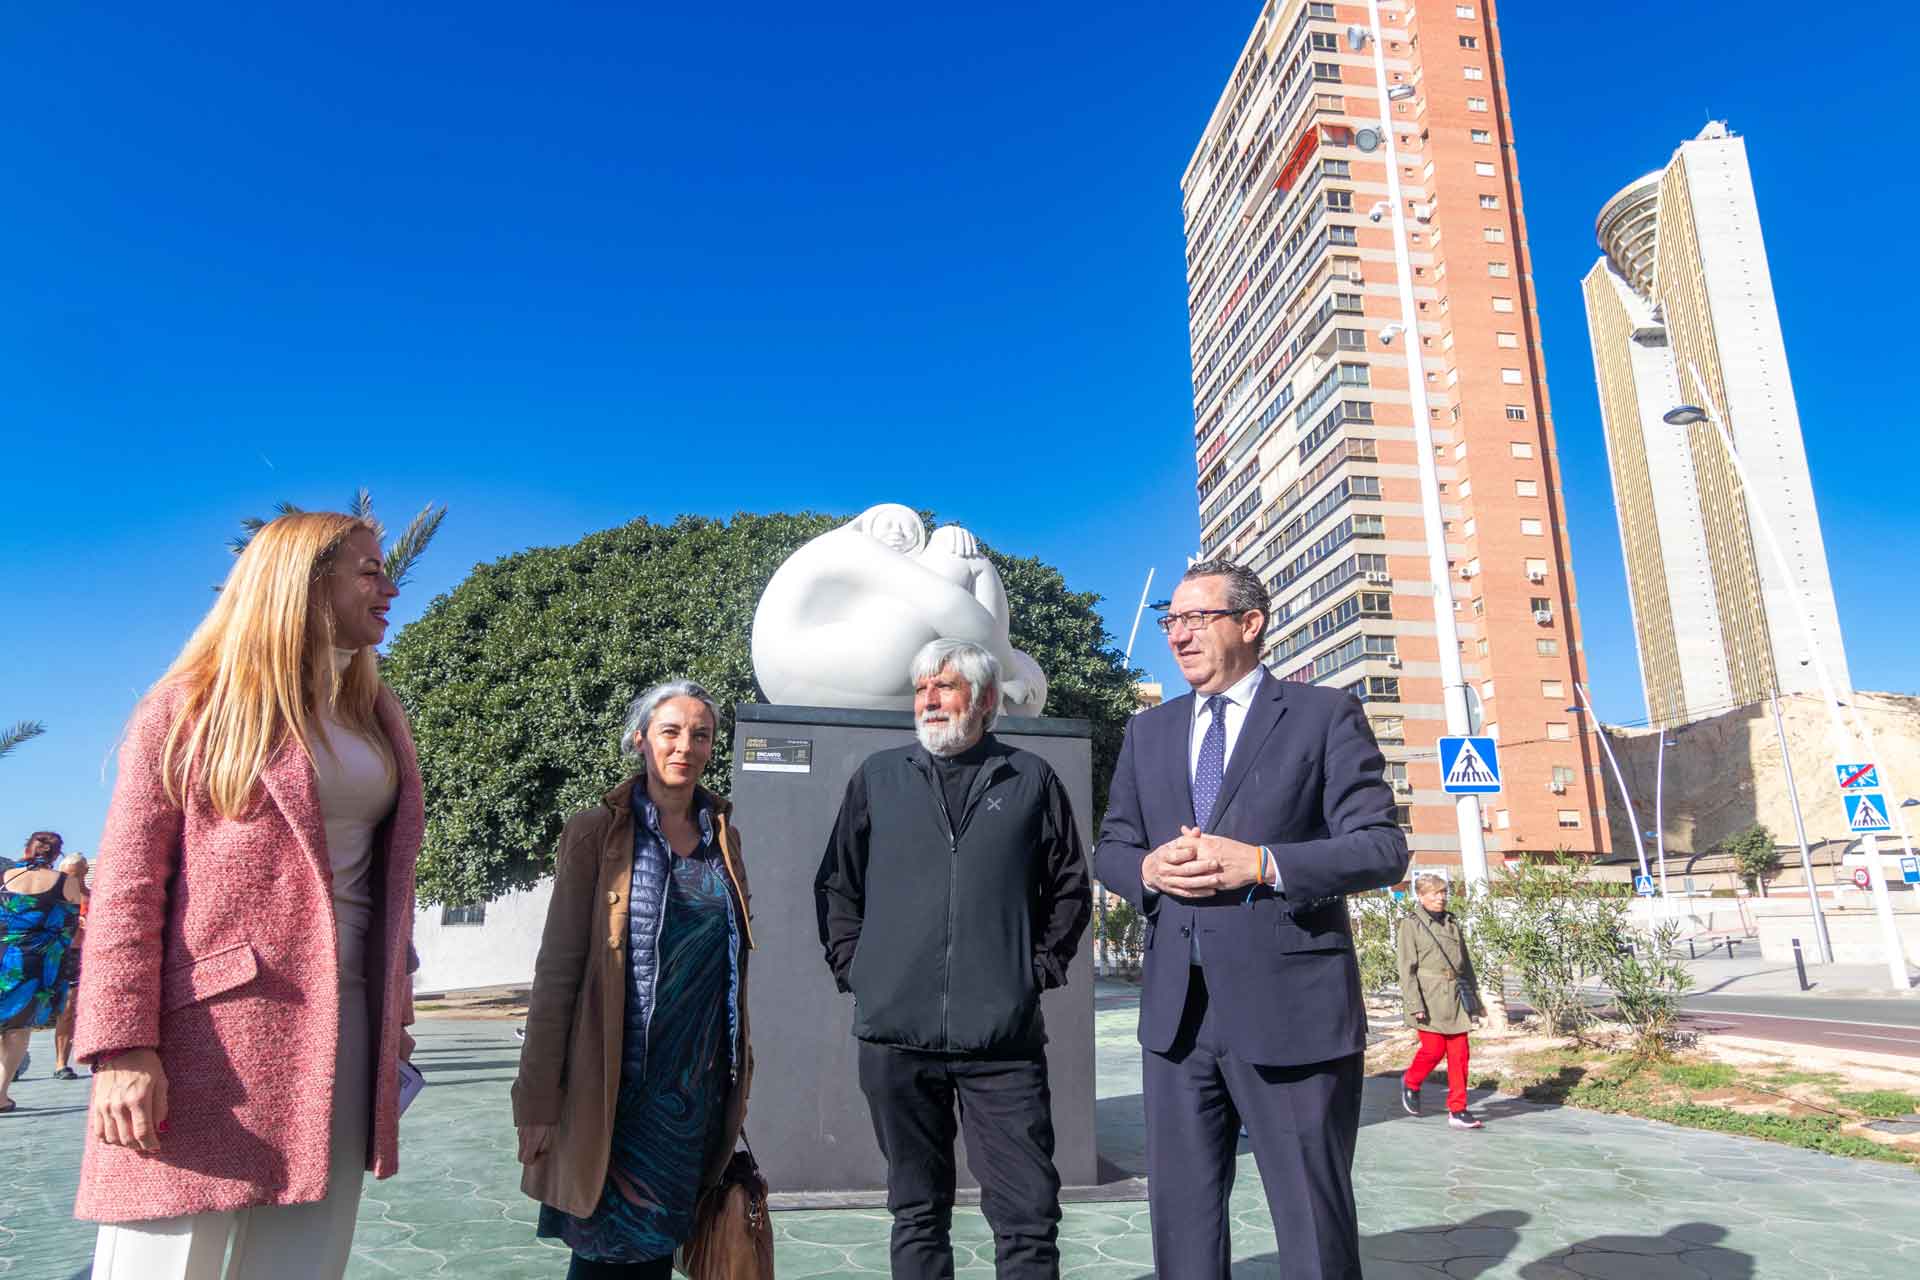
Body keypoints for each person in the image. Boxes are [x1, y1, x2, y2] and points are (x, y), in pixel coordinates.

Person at [73, 511, 425, 1280]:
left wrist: (394, 1013)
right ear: (303, 581)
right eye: (368, 571)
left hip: (348, 1023)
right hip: (208, 1041)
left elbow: (384, 883)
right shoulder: (189, 708)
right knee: (164, 1265)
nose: (390, 586)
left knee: (303, 1262)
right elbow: (128, 890)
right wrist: (122, 1047)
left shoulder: (376, 716)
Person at [1093, 558, 1410, 1280]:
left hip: (1292, 1015)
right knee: (1184, 1222)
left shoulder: (1323, 716)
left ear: (1250, 623)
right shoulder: (1148, 732)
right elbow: (1113, 845)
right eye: (1169, 621)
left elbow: (1381, 848)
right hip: (1177, 1018)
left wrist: (1264, 863)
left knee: (1311, 1223)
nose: (1176, 636)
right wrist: (1144, 870)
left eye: (1194, 618)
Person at [815, 638, 1091, 1279]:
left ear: (987, 699)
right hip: (895, 1040)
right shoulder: (878, 778)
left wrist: (1035, 971)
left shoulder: (1030, 779)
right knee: (916, 1211)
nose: (930, 701)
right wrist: (860, 972)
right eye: (921, 689)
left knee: (1027, 1217)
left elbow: (1069, 887)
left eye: (946, 687)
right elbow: (838, 885)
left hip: (1002, 1042)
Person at [514, 680, 756, 1280]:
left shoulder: (725, 839)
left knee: (659, 1253)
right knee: (608, 1255)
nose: (686, 747)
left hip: (695, 1092)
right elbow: (558, 971)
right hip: (617, 1089)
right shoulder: (597, 833)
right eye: (671, 731)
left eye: (701, 735)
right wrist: (538, 1100)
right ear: (640, 739)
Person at [752, 503, 1048, 715]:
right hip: (843, 663)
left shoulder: (859, 595)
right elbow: (949, 604)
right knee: (969, 560)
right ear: (866, 526)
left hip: (789, 687)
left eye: (909, 528)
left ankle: (1001, 679)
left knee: (1021, 666)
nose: (899, 533)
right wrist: (945, 537)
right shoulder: (849, 544)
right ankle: (1001, 681)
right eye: (888, 524)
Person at [0, 831, 84, 1107]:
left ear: (27, 849)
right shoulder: (66, 883)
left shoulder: (5, 878)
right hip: (35, 963)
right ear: (56, 855)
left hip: (3, 954)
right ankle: (0, 1095)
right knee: (18, 1027)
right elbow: (69, 931)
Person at [1397, 873, 1483, 1129]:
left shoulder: (1452, 923)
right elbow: (1406, 969)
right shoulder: (1410, 925)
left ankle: (1458, 1109)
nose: (1441, 897)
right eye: (1434, 893)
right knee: (1433, 1050)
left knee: (1460, 1054)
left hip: (1455, 996)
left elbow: (1465, 965)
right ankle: (1411, 1082)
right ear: (1421, 896)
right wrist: (1415, 1005)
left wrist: (1475, 1001)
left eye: (1443, 892)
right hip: (1429, 996)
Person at [53, 850, 93, 1079]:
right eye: (66, 874)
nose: (70, 879)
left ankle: (88, 1056)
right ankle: (60, 1062)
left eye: (75, 875)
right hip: (62, 954)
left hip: (87, 954)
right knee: (66, 1008)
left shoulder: (95, 896)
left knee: (81, 1008)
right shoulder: (55, 897)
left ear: (84, 872)